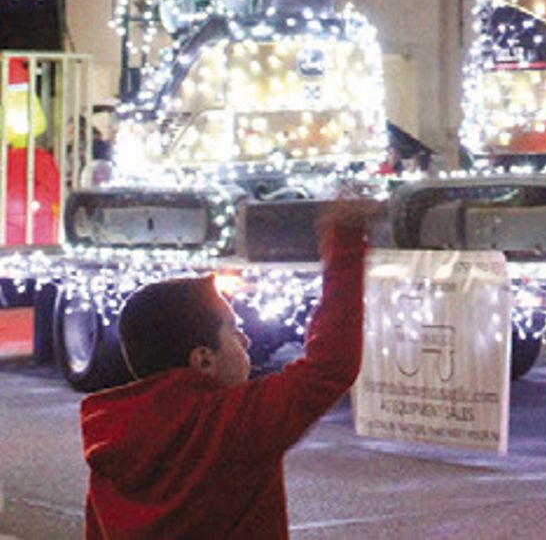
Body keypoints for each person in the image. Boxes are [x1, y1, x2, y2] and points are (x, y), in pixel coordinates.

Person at [79, 198, 380, 539]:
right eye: (234, 331)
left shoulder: (112, 437)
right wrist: (346, 240)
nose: (246, 341)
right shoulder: (231, 423)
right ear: (203, 360)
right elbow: (329, 366)